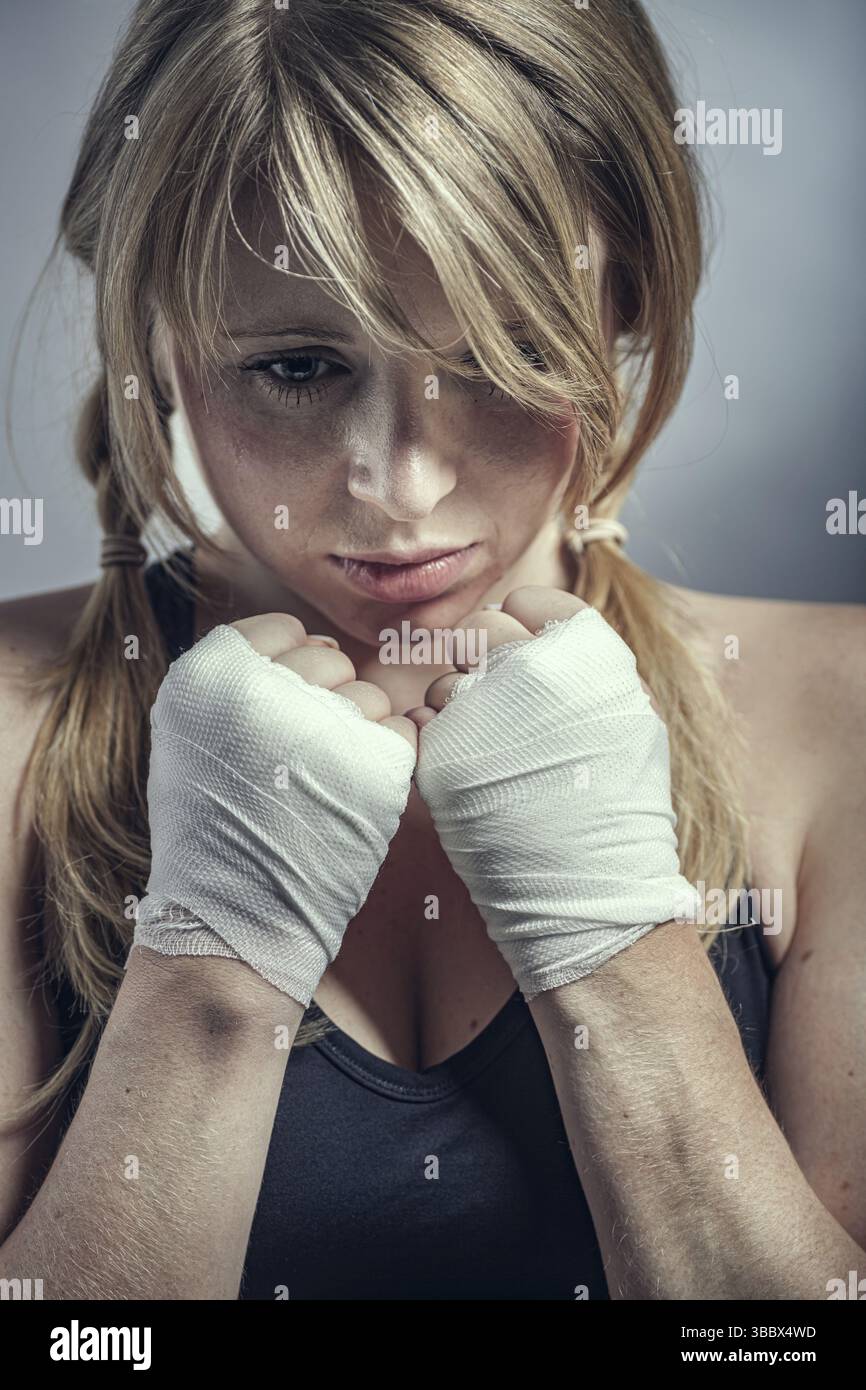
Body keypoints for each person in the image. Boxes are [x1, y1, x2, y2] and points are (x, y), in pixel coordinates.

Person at [0, 0, 863, 1301]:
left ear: (624, 301)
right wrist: (205, 973)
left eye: (510, 352)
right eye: (296, 365)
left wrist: (615, 949)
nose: (401, 487)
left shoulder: (840, 717)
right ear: (157, 341)